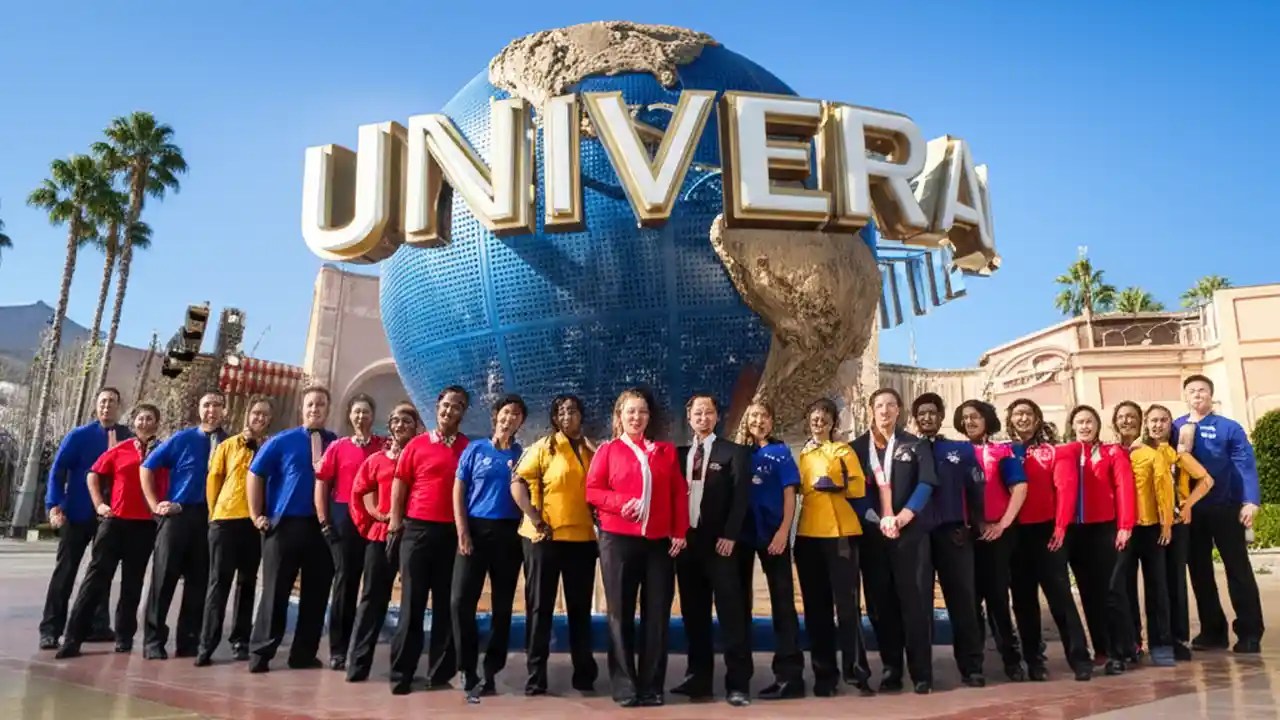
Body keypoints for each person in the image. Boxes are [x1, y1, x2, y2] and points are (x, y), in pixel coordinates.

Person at [586, 387, 688, 708]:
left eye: (642, 411)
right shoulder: (608, 450)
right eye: (630, 411)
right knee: (620, 613)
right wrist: (619, 503)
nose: (636, 416)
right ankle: (625, 685)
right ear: (619, 416)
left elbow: (677, 493)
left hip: (658, 543)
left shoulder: (665, 451)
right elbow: (592, 491)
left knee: (657, 614)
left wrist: (679, 532)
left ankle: (651, 685)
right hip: (618, 541)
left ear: (649, 416)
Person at [55, 404, 164, 658]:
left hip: (144, 525)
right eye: (140, 418)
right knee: (95, 581)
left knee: (133, 583)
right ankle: (72, 638)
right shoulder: (120, 449)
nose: (145, 423)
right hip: (114, 523)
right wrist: (99, 504)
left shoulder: (162, 451)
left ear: (157, 423)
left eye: (150, 419)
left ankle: (125, 637)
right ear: (134, 422)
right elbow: (93, 474)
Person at [245, 385, 338, 673]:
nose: (315, 409)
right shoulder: (282, 441)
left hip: (320, 527)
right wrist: (256, 514)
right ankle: (261, 653)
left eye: (321, 404)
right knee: (275, 591)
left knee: (317, 592)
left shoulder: (335, 443)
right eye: (310, 404)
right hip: (284, 525)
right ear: (303, 408)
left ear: (327, 409)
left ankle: (303, 653)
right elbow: (255, 474)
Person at [511, 394, 599, 696]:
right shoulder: (543, 447)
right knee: (540, 608)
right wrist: (536, 519)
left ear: (581, 415)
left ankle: (584, 673)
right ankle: (536, 676)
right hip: (544, 539)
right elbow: (517, 483)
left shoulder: (591, 449)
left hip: (582, 541)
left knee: (579, 609)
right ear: (553, 418)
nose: (567, 416)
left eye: (572, 410)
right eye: (560, 412)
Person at [852, 388, 938, 695]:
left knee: (915, 604)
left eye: (890, 405)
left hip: (910, 537)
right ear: (871, 410)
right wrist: (877, 519)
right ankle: (891, 669)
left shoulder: (915, 445)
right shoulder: (857, 448)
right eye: (879, 405)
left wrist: (903, 517)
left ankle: (922, 673)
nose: (885, 410)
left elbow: (927, 483)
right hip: (874, 538)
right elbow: (854, 493)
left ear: (899, 410)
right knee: (880, 606)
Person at [1172, 374, 1265, 654]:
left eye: (1202, 390)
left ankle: (1249, 632)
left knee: (1238, 569)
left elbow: (1244, 463)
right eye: (1192, 391)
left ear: (1210, 395)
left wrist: (1250, 500)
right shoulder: (1176, 427)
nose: (1197, 394)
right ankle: (1212, 631)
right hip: (1191, 512)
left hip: (1226, 507)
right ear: (1186, 397)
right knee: (1199, 572)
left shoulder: (1228, 427)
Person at [388, 386, 471, 695]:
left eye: (457, 406)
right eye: (446, 405)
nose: (449, 411)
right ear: (437, 408)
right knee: (412, 604)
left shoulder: (468, 448)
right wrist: (395, 525)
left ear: (463, 413)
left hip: (451, 534)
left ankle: (440, 672)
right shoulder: (417, 445)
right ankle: (401, 674)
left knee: (447, 605)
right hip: (417, 532)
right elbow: (400, 483)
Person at [672, 394, 752, 707]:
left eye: (708, 412)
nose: (702, 417)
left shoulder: (733, 452)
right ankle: (699, 679)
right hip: (687, 544)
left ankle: (738, 684)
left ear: (716, 416)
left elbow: (741, 497)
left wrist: (731, 535)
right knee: (694, 614)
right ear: (689, 418)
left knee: (732, 615)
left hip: (721, 545)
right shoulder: (679, 455)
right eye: (697, 413)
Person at [1004, 398, 1092, 682]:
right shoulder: (1004, 450)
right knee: (1023, 601)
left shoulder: (1052, 452)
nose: (1023, 419)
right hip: (1015, 534)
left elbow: (1065, 489)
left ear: (1037, 418)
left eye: (1028, 413)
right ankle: (1034, 661)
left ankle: (1080, 658)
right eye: (1017, 414)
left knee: (1060, 597)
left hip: (1047, 532)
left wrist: (1061, 527)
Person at [38, 387, 129, 650]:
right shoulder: (79, 436)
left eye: (112, 402)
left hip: (110, 514)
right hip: (77, 513)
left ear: (119, 406)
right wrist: (54, 504)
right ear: (95, 405)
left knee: (101, 572)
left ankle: (97, 626)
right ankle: (51, 629)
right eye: (102, 402)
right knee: (65, 572)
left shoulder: (127, 438)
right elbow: (57, 471)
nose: (106, 407)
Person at [140, 391, 228, 660]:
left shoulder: (231, 443)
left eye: (216, 405)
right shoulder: (183, 438)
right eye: (206, 405)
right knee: (163, 579)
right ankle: (153, 640)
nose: (211, 410)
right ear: (199, 409)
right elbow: (147, 467)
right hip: (178, 515)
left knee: (199, 583)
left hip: (211, 519)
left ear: (224, 410)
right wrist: (155, 504)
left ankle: (188, 640)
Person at [795, 398, 873, 698]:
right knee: (816, 609)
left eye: (825, 418)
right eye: (814, 417)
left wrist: (837, 485)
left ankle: (857, 672)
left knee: (848, 608)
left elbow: (859, 486)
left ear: (833, 423)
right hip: (808, 535)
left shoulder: (842, 450)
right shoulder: (802, 453)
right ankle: (824, 675)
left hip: (841, 534)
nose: (819, 422)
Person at [1125, 403, 1214, 667]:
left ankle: (1178, 638)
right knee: (1156, 584)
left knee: (1175, 580)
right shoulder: (1138, 453)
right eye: (1153, 420)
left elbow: (1207, 480)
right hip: (1150, 524)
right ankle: (1150, 640)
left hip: (1176, 524)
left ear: (1170, 424)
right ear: (1146, 424)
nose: (1157, 425)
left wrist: (1187, 504)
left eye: (1163, 420)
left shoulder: (1178, 455)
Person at [451, 394, 527, 702]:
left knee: (503, 605)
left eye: (517, 415)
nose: (510, 419)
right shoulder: (474, 449)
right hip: (475, 530)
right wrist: (462, 531)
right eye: (506, 413)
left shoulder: (522, 454)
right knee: (460, 601)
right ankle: (466, 667)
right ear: (496, 416)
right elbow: (459, 490)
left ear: (521, 422)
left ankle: (491, 668)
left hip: (508, 535)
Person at [911, 393, 986, 687]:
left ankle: (972, 666)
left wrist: (973, 525)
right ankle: (922, 674)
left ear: (941, 417)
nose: (927, 418)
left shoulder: (961, 450)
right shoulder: (907, 449)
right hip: (917, 535)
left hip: (954, 533)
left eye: (932, 412)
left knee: (962, 601)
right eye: (922, 413)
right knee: (919, 603)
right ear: (915, 419)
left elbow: (976, 489)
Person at [1055, 405, 1136, 675]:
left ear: (1097, 425)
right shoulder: (1066, 452)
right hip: (1074, 533)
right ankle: (1099, 650)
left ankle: (1119, 651)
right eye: (1080, 422)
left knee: (1110, 592)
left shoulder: (1112, 452)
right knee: (1087, 594)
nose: (1085, 427)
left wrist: (1125, 526)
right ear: (1072, 425)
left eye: (1089, 421)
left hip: (1104, 529)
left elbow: (1124, 488)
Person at [733, 401, 805, 700]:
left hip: (772, 536)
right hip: (742, 536)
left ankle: (790, 677)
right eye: (753, 416)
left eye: (763, 416)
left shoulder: (781, 452)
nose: (758, 421)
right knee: (739, 605)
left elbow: (790, 495)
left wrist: (782, 532)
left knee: (783, 604)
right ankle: (739, 677)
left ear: (772, 421)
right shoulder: (740, 453)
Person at [346, 403, 421, 682]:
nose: (401, 425)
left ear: (416, 427)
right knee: (372, 598)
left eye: (408, 421)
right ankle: (358, 663)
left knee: (412, 601)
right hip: (381, 536)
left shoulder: (419, 457)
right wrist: (379, 514)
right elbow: (362, 489)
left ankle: (403, 669)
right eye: (396, 420)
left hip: (413, 536)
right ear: (390, 425)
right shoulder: (377, 460)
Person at [955, 399, 1028, 682]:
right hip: (966, 536)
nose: (970, 421)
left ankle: (1011, 659)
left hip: (998, 536)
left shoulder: (1002, 450)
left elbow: (1019, 489)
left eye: (975, 416)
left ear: (987, 419)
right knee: (969, 601)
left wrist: (1001, 525)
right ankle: (972, 665)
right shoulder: (956, 452)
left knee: (998, 597)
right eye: (965, 418)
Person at [197, 396, 272, 666]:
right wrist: (213, 513)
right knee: (219, 583)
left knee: (247, 582)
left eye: (265, 415)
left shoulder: (269, 448)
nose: (260, 418)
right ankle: (207, 643)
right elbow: (214, 480)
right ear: (247, 415)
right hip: (225, 520)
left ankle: (240, 639)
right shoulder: (229, 445)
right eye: (256, 413)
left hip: (254, 524)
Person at [315, 394, 385, 672]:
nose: (360, 417)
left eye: (365, 412)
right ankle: (338, 648)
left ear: (373, 415)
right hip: (344, 517)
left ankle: (361, 645)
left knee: (373, 583)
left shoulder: (383, 445)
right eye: (356, 412)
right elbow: (322, 483)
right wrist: (324, 520)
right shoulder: (337, 447)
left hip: (375, 517)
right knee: (345, 582)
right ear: (349, 416)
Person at [1112, 400, 1146, 661]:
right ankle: (1131, 640)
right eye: (1122, 417)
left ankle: (1162, 641)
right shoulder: (1111, 451)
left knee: (1158, 586)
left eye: (1132, 416)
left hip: (1148, 526)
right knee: (1122, 584)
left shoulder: (1149, 450)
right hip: (1122, 527)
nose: (1127, 421)